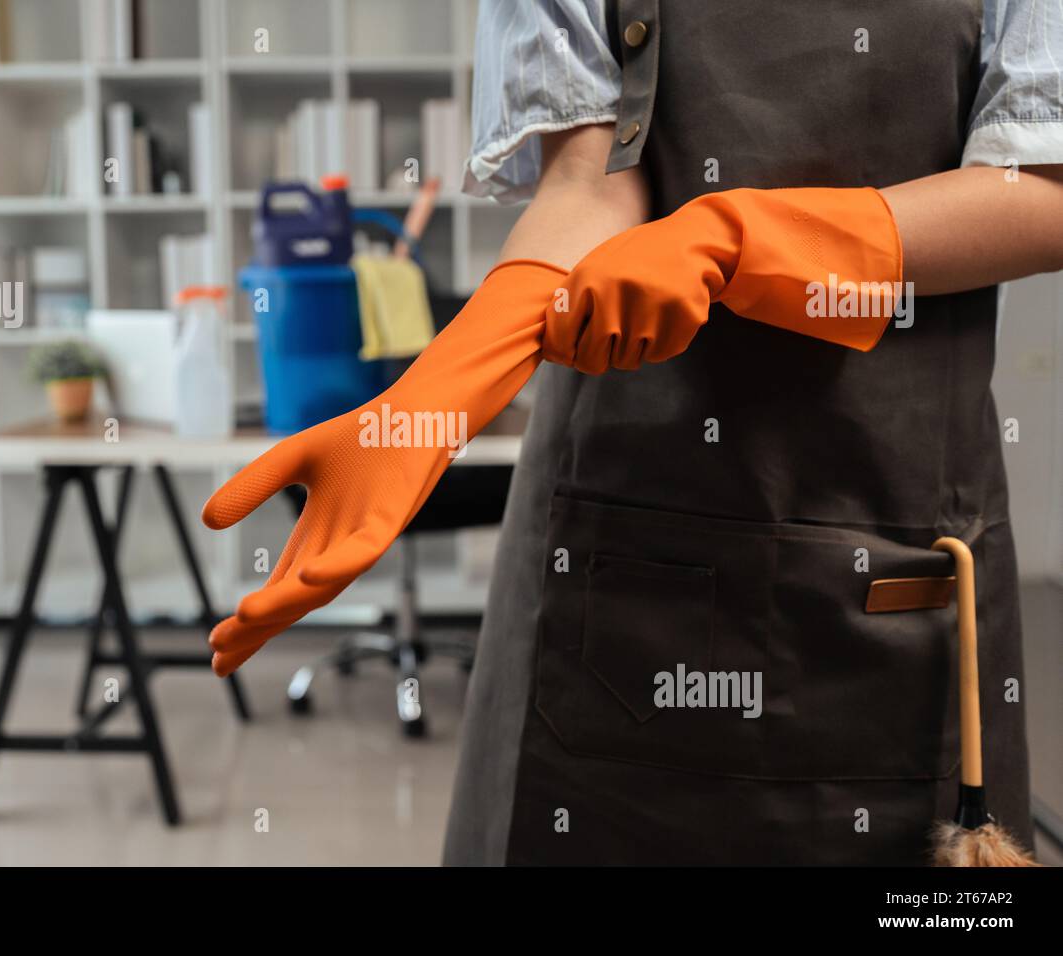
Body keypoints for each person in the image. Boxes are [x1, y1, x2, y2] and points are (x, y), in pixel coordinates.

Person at [204, 0, 1063, 864]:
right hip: (606, 546)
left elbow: (1042, 185)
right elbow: (590, 178)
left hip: (894, 540)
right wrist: (432, 399)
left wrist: (745, 237)